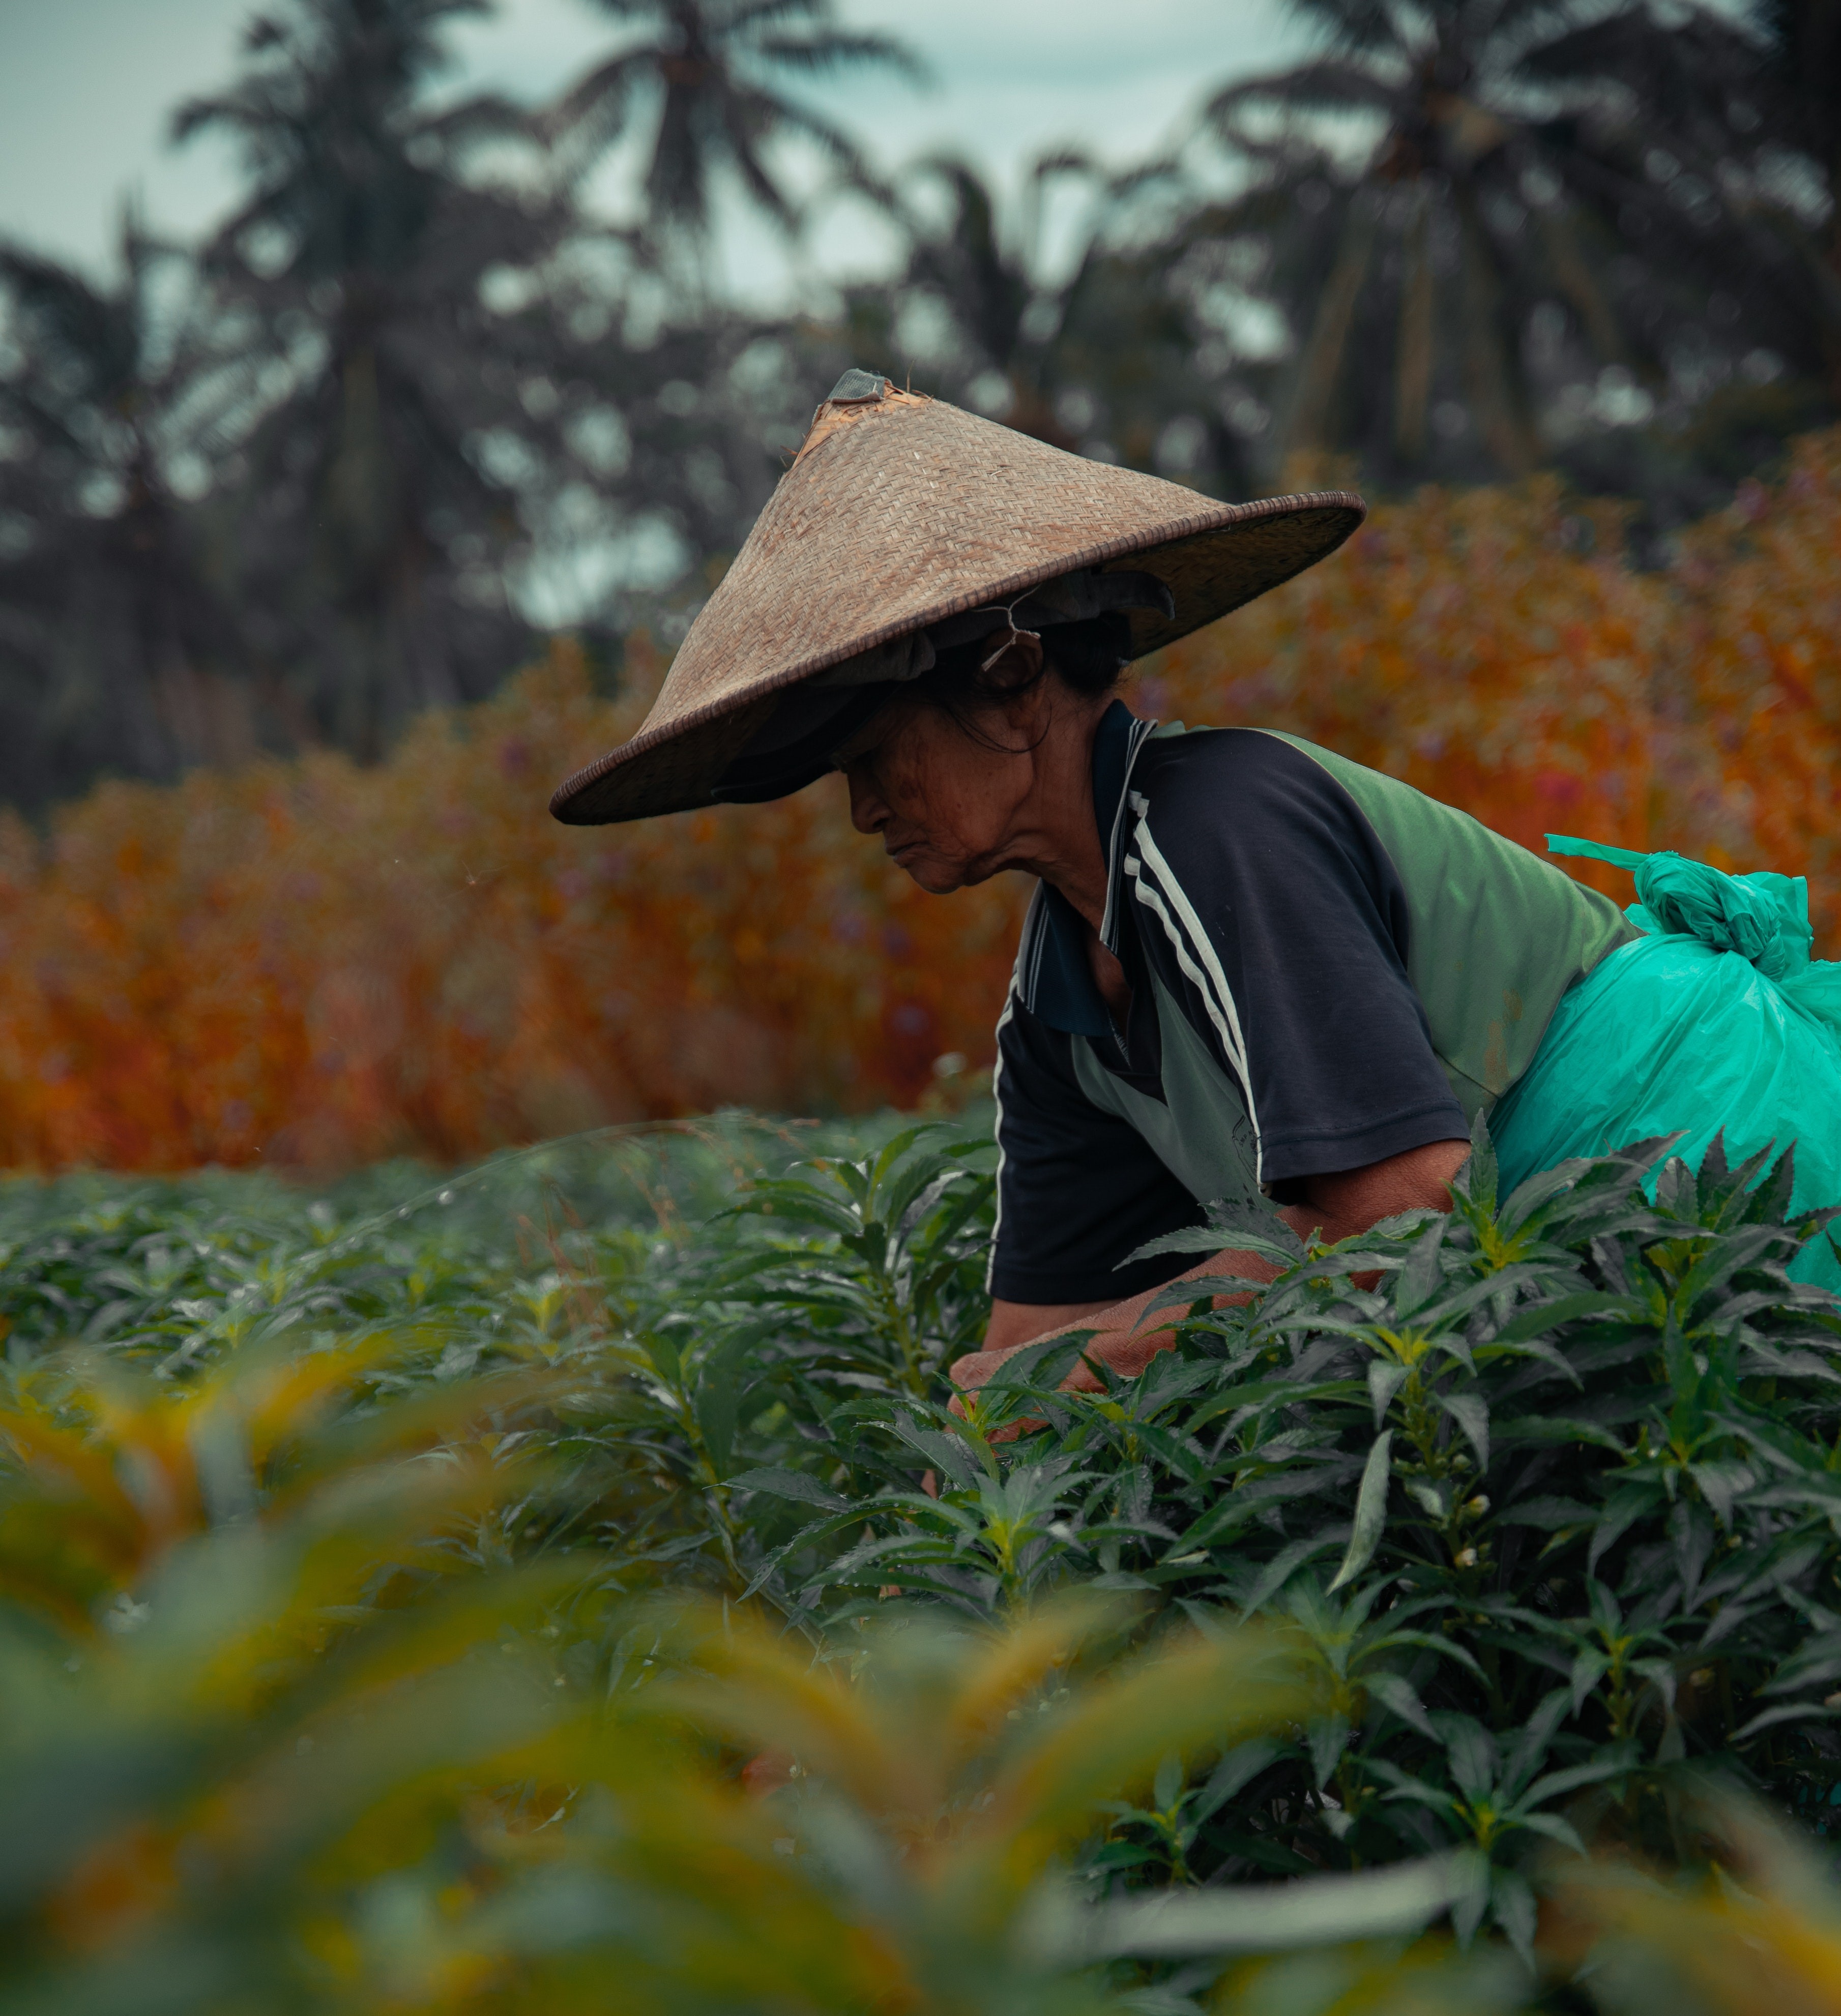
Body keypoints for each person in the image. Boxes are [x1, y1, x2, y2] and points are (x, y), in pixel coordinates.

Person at [552, 371, 1841, 1413]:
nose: (865, 808)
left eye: (876, 755)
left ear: (1011, 676)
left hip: (1725, 1168)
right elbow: (1027, 1346)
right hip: (1585, 1275)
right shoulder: (1056, 1002)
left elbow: (1397, 1229)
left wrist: (1084, 1363)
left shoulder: (1217, 827)